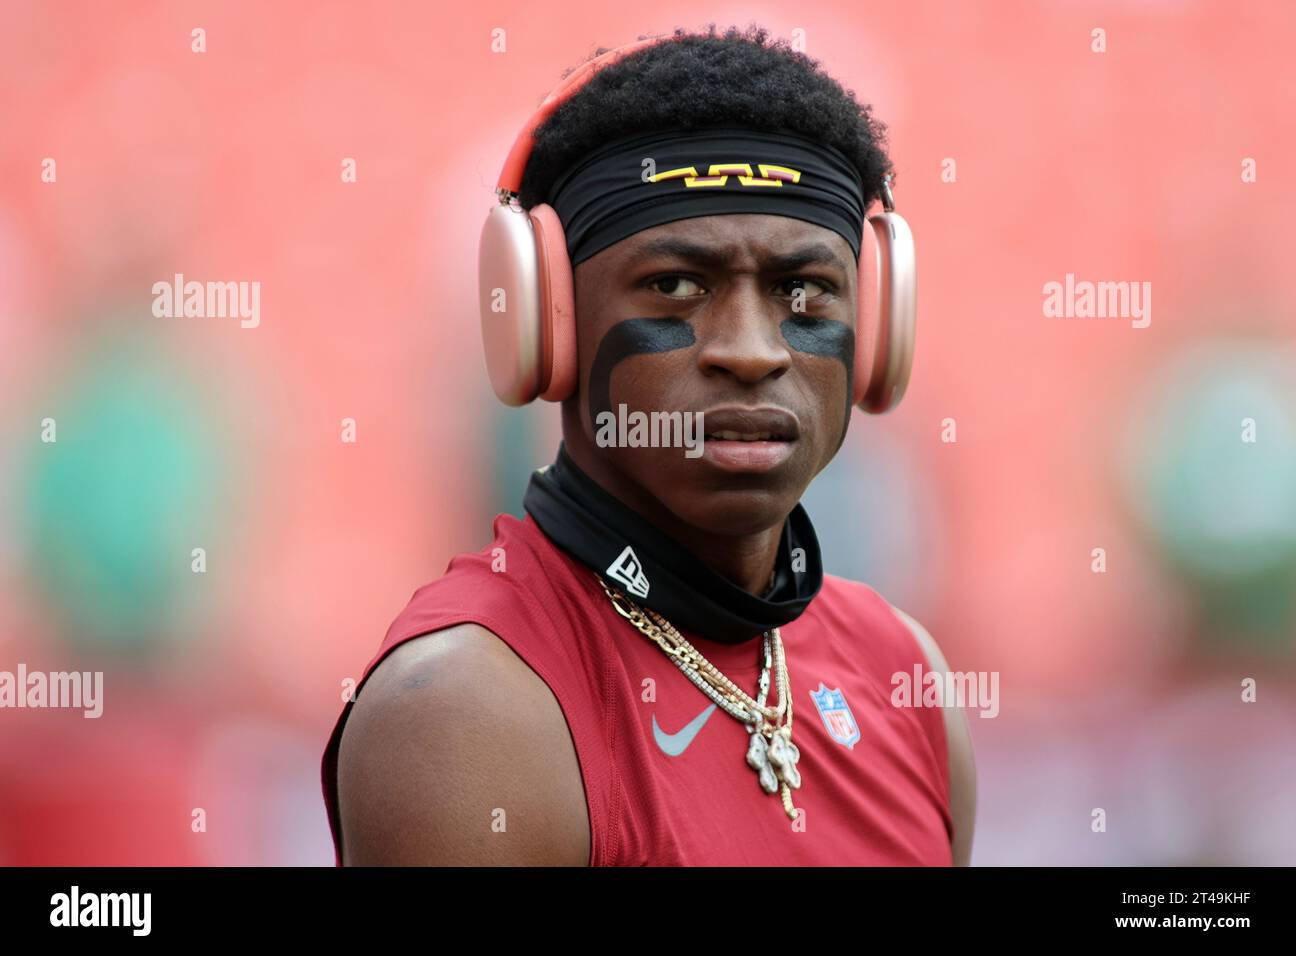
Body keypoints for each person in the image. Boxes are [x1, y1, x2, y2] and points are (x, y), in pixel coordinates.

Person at [321, 23, 975, 866]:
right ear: (544, 323)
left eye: (803, 291)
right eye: (675, 286)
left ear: (877, 332)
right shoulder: (465, 710)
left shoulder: (903, 675)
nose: (752, 350)